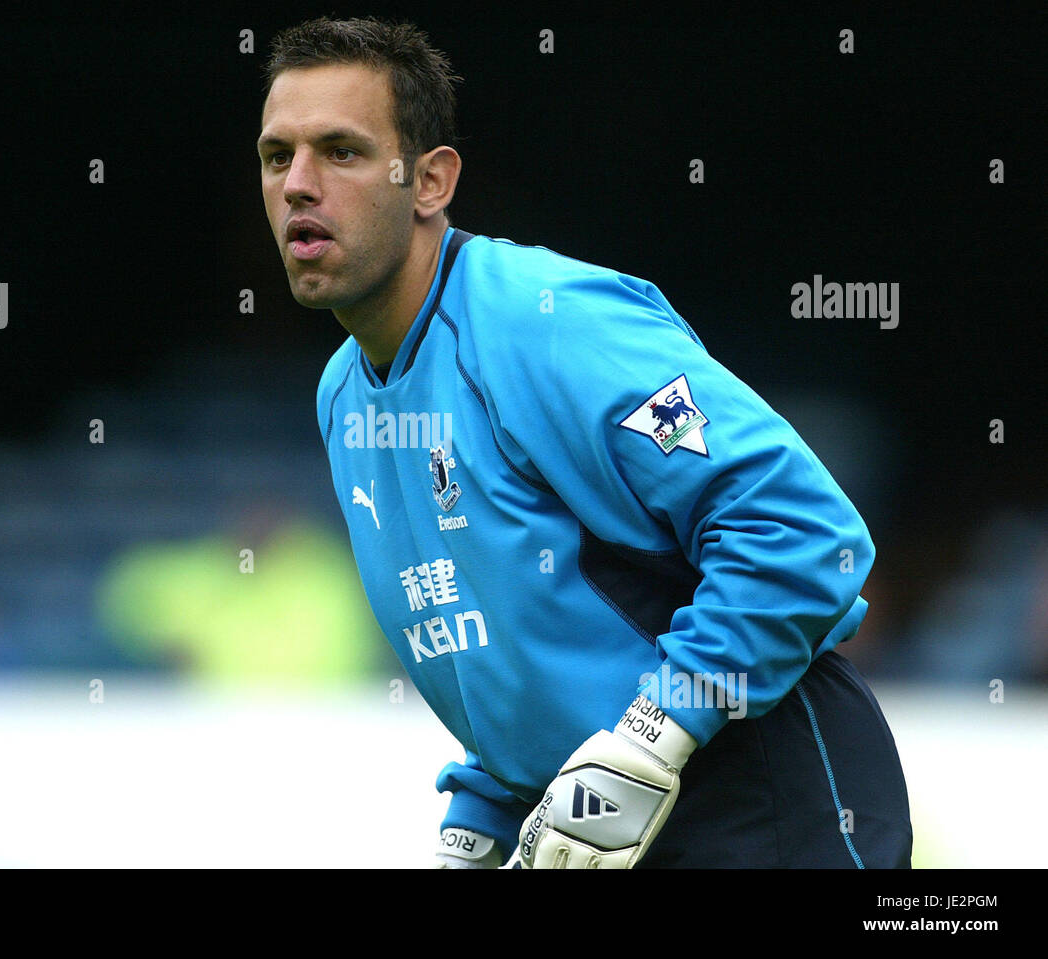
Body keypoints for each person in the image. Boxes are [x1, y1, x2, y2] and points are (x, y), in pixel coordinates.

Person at [257, 16, 911, 868]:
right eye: (278, 157)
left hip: (766, 809)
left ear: (430, 181)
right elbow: (498, 648)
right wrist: (483, 814)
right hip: (592, 832)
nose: (300, 184)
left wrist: (658, 731)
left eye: (340, 151)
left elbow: (805, 534)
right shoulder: (344, 394)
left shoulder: (548, 323)